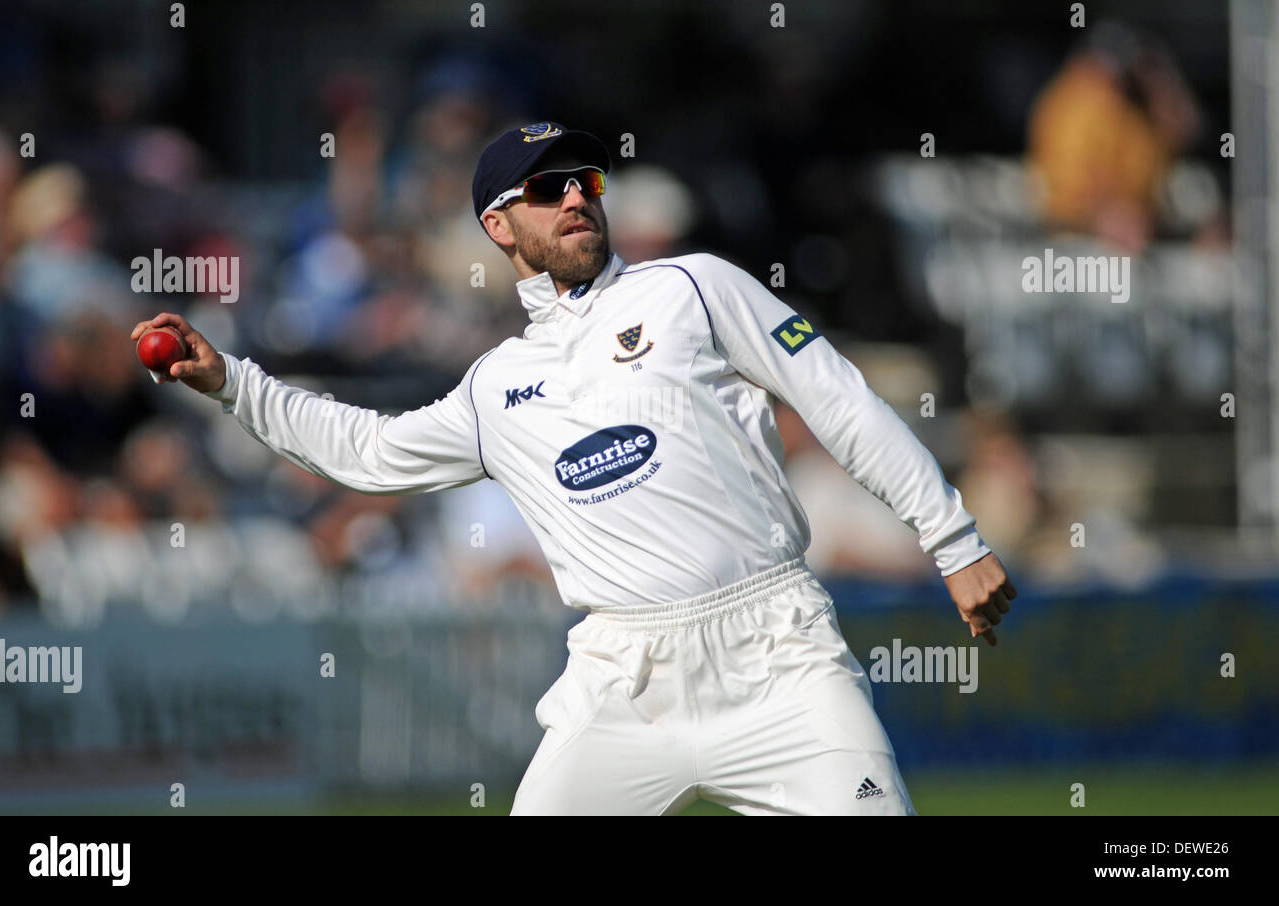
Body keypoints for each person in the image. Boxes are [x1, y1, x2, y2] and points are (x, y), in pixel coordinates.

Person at [132, 121, 1016, 815]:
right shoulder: (496, 386)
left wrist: (953, 537)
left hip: (778, 658)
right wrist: (230, 383)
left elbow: (839, 399)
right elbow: (365, 453)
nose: (576, 200)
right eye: (547, 189)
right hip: (622, 684)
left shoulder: (693, 287)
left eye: (586, 182)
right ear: (497, 225)